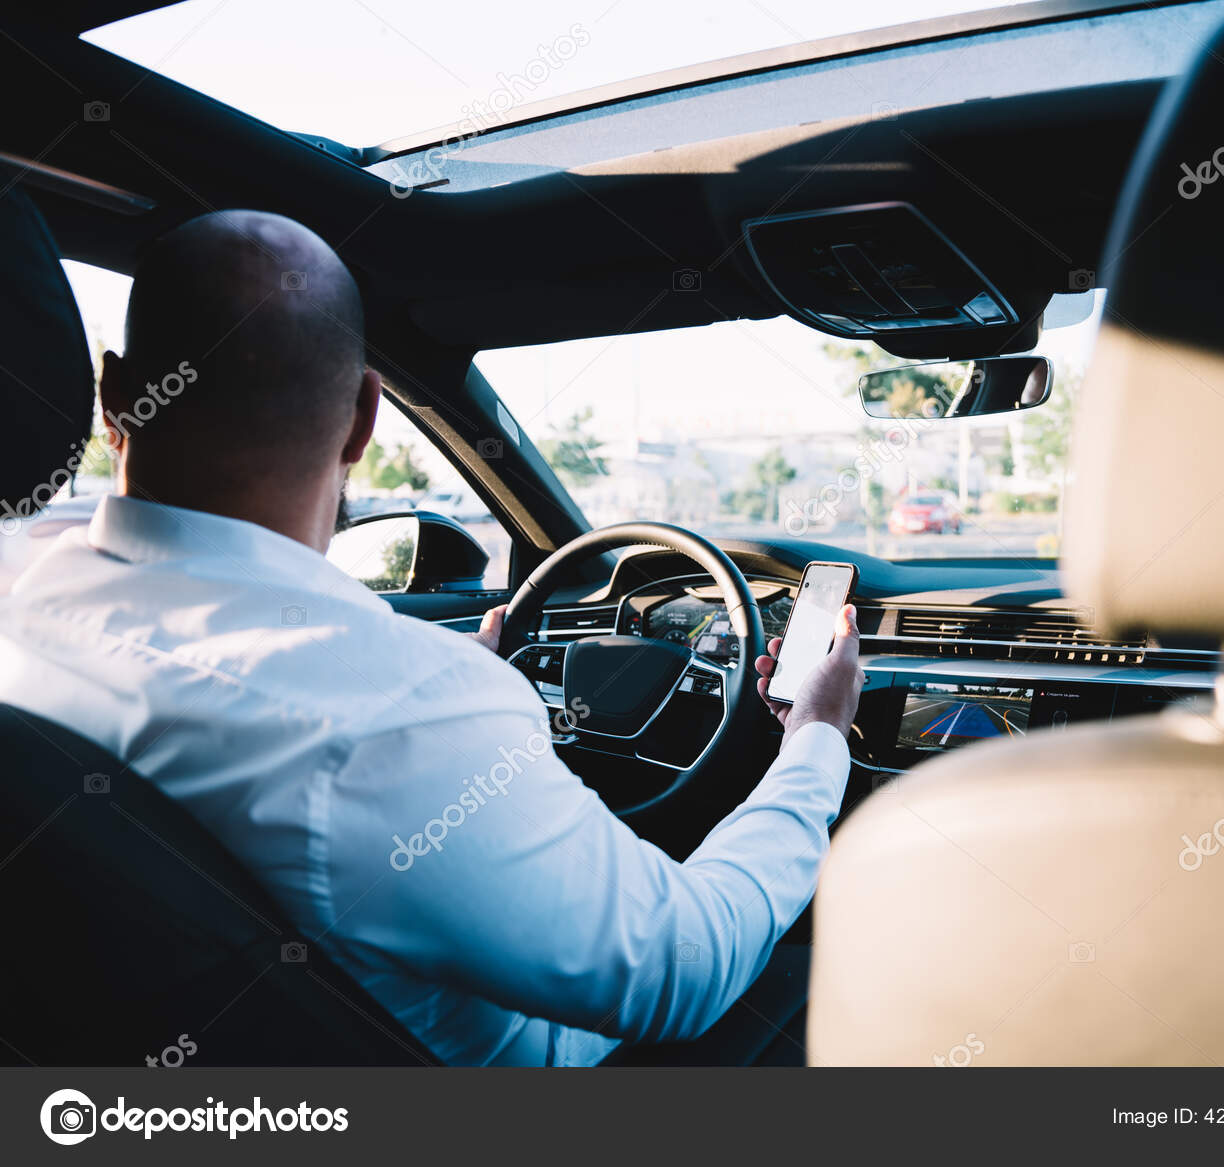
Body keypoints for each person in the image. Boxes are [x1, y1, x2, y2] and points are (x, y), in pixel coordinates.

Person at [0, 210, 864, 1065]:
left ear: (113, 394)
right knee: (829, 980)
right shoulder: (400, 718)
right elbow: (685, 970)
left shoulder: (23, 602)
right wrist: (817, 739)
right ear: (366, 418)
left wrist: (449, 686)